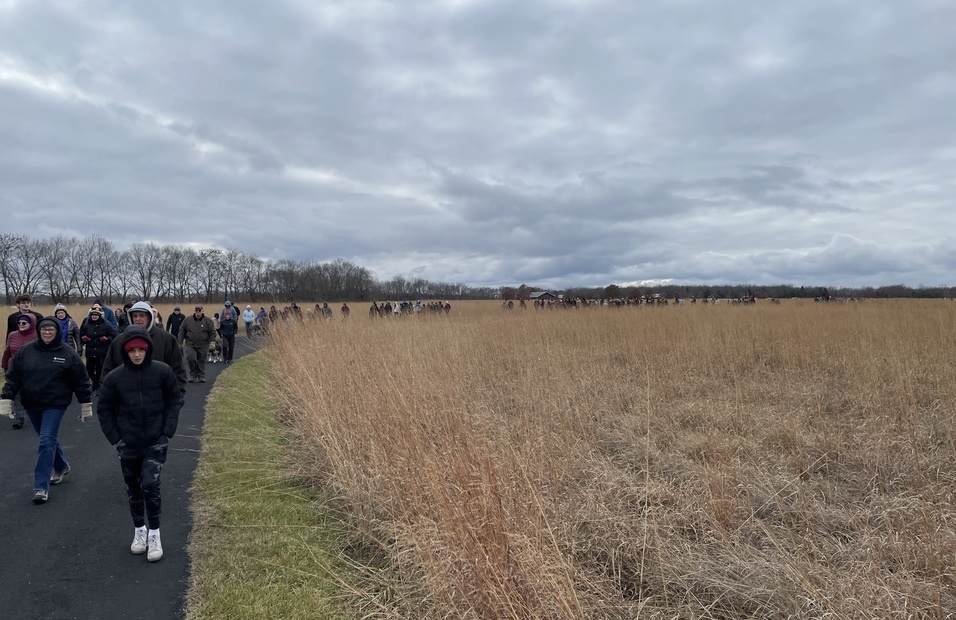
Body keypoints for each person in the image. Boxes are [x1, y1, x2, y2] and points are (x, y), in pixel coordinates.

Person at [96, 327, 181, 562]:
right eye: (131, 350)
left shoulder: (162, 372)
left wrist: (167, 431)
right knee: (133, 487)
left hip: (156, 439)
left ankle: (155, 533)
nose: (136, 354)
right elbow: (104, 409)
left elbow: (175, 399)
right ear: (125, 351)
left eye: (140, 350)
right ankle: (139, 530)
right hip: (128, 441)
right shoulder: (115, 378)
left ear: (147, 350)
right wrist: (116, 437)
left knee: (150, 485)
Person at [0, 317, 93, 503]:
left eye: (51, 329)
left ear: (57, 331)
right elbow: (13, 377)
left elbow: (81, 380)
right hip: (31, 403)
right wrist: (6, 398)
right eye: (44, 330)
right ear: (39, 331)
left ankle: (41, 487)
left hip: (55, 404)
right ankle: (61, 466)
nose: (47, 333)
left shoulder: (67, 353)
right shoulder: (27, 351)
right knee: (47, 439)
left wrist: (85, 404)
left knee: (45, 441)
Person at [102, 301, 187, 395]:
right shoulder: (118, 342)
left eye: (142, 315)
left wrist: (175, 401)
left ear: (149, 317)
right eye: (135, 316)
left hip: (158, 402)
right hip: (126, 403)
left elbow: (178, 373)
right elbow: (107, 374)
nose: (138, 319)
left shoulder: (167, 340)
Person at [2, 314, 38, 429]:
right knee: (16, 394)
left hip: (31, 369)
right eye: (19, 323)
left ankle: (34, 413)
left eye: (24, 323)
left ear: (31, 324)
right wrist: (4, 365)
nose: (21, 325)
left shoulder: (37, 336)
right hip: (14, 369)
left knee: (29, 393)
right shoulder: (12, 335)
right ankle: (20, 417)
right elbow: (7, 351)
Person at [79, 305, 117, 395]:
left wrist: (107, 338)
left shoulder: (106, 324)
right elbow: (81, 335)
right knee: (89, 370)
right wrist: (84, 339)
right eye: (93, 315)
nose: (94, 316)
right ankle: (95, 383)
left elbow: (113, 335)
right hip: (90, 350)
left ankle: (99, 386)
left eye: (96, 315)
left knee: (100, 369)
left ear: (99, 315)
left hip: (102, 350)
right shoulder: (86, 324)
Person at [178, 305, 216, 383]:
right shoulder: (188, 320)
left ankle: (201, 376)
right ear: (195, 311)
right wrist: (180, 341)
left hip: (203, 344)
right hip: (190, 344)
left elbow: (212, 332)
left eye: (199, 311)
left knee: (201, 360)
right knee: (191, 358)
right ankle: (193, 375)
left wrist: (212, 342)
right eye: (196, 311)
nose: (198, 313)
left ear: (202, 311)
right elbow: (182, 330)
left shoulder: (207, 320)